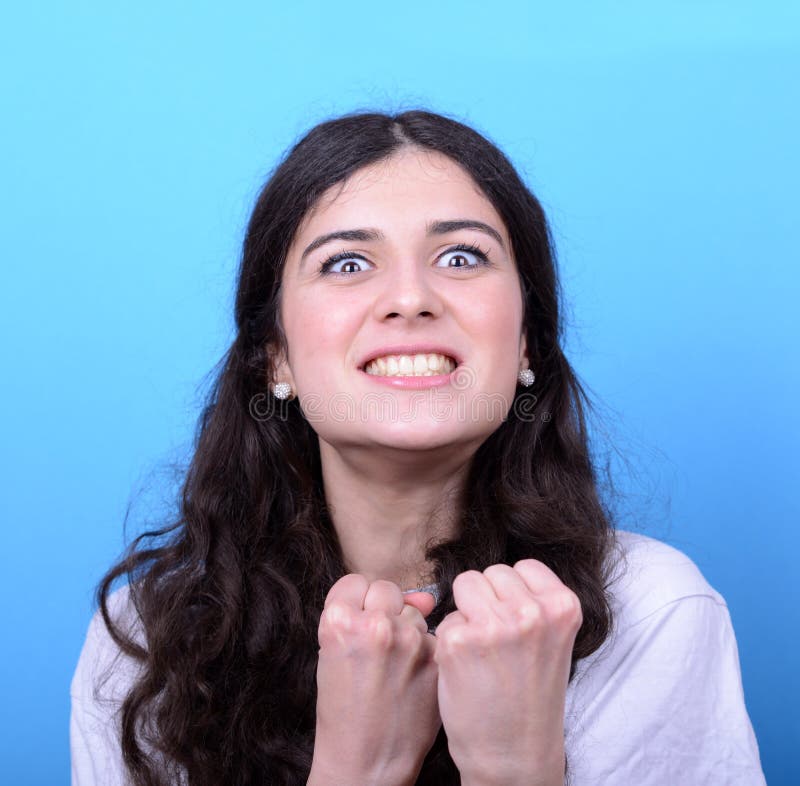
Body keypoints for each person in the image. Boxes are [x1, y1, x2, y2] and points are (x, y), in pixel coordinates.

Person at [70, 110, 766, 786]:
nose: (410, 297)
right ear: (274, 356)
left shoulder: (653, 612)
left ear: (525, 341)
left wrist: (512, 771)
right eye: (346, 264)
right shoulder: (140, 645)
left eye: (461, 257)